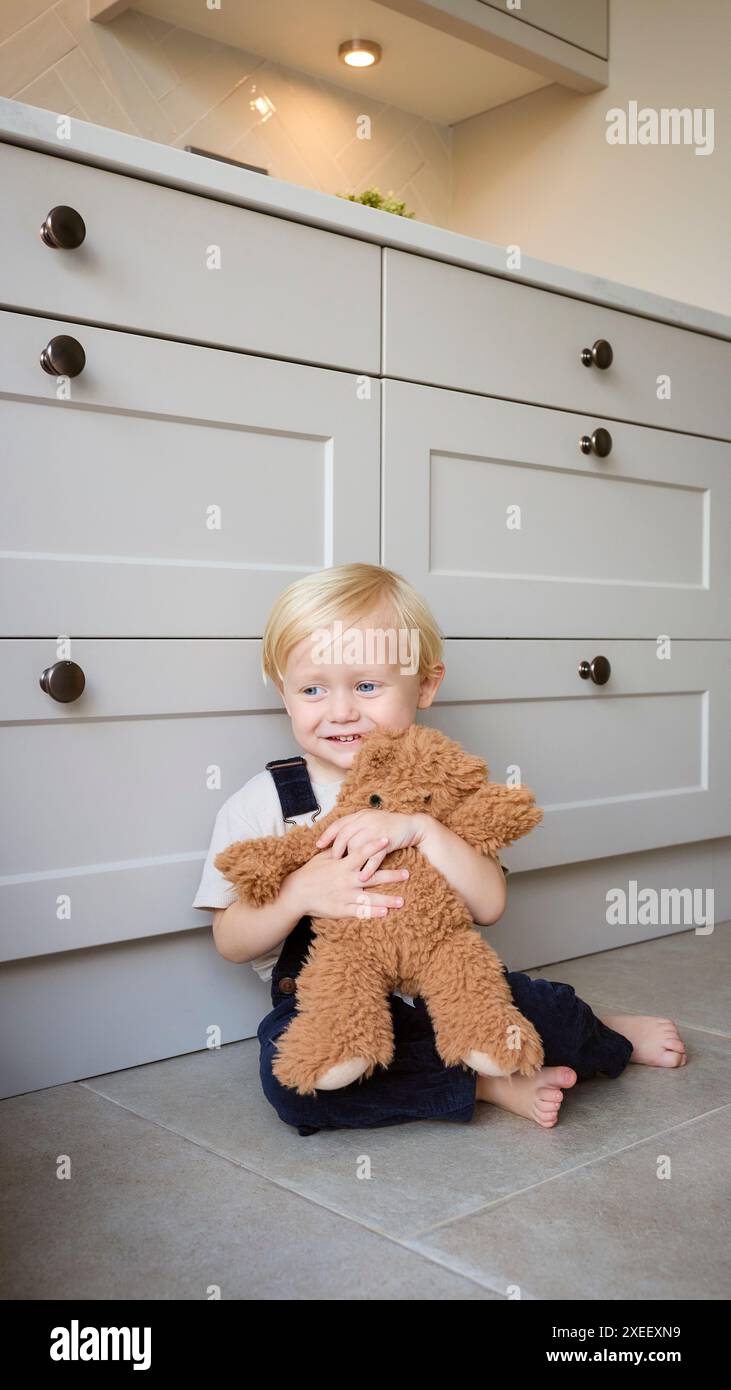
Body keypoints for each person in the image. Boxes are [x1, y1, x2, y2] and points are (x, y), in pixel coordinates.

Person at [193, 563, 687, 1135]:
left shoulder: (439, 786)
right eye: (312, 689)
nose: (341, 710)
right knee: (295, 1088)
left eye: (367, 685)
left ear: (425, 684)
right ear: (283, 692)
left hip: (444, 984)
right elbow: (229, 940)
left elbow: (489, 905)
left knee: (544, 1011)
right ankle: (481, 1082)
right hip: (329, 1004)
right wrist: (300, 892)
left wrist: (424, 830)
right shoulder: (264, 802)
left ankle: (605, 1032)